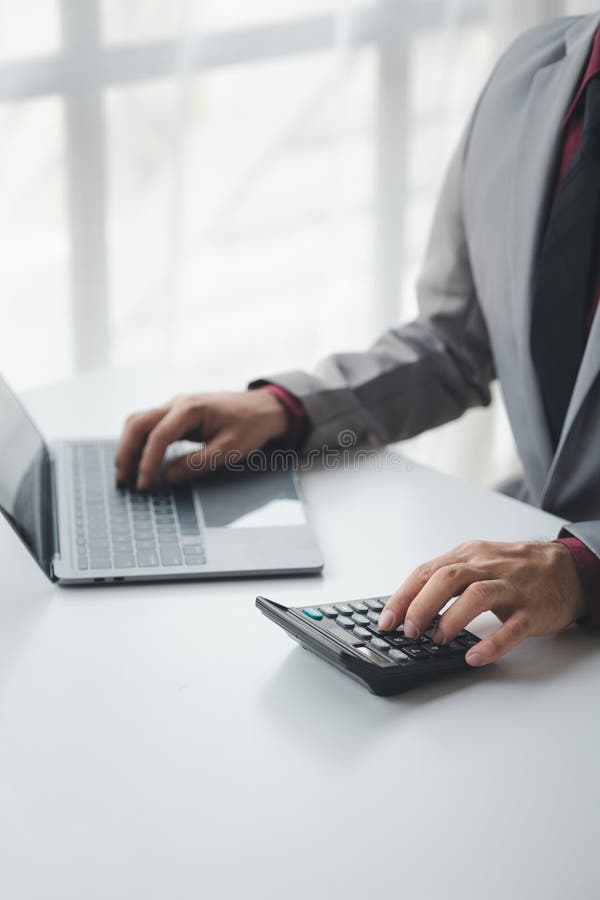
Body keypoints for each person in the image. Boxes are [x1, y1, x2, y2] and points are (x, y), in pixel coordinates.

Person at [115, 12, 600, 668]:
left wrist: (580, 566)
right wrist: (290, 407)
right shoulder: (529, 70)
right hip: (531, 624)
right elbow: (454, 341)